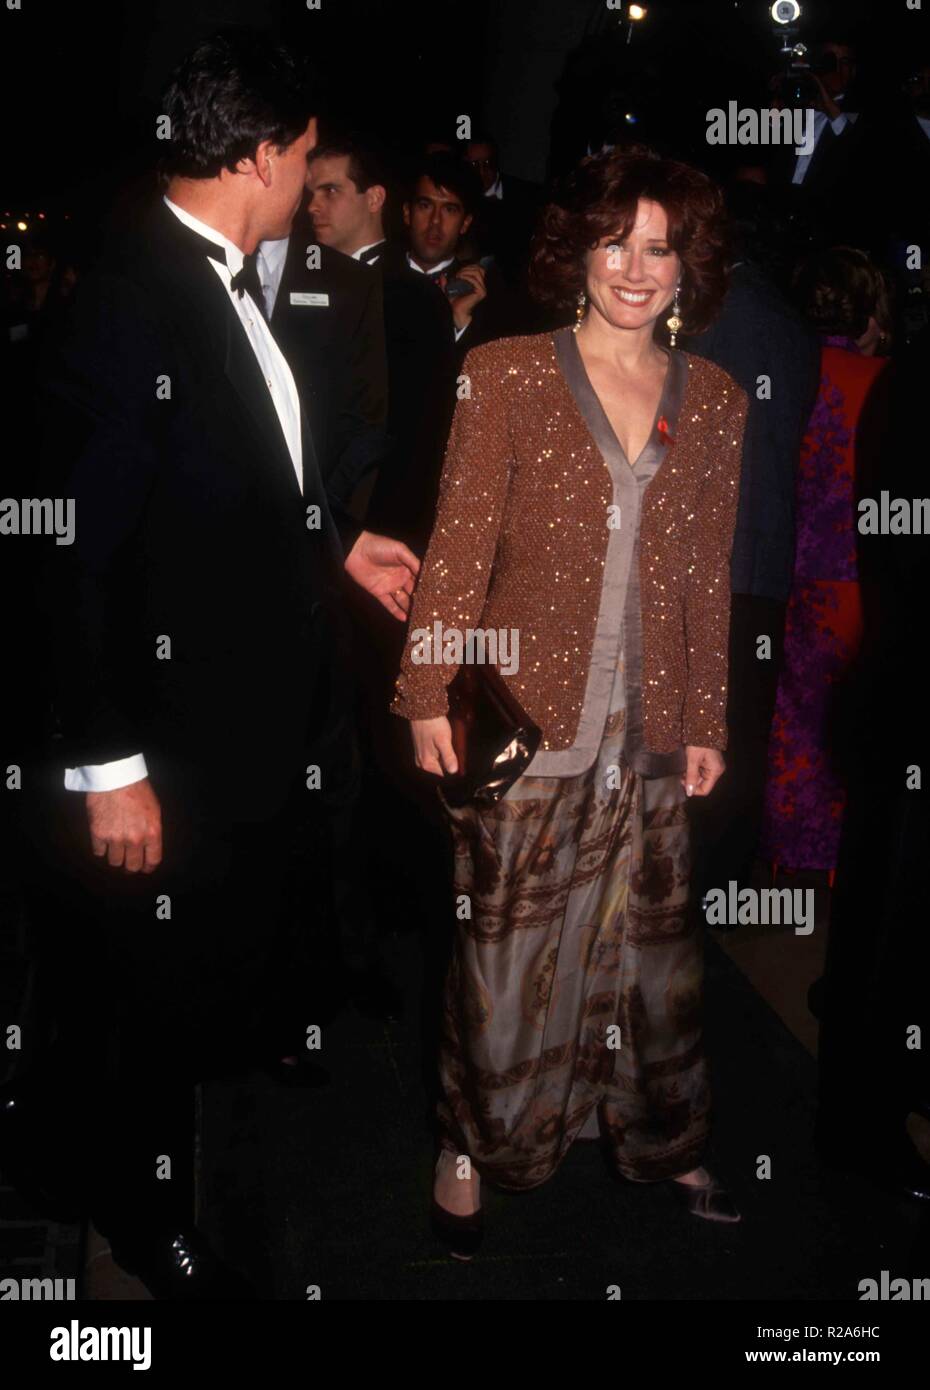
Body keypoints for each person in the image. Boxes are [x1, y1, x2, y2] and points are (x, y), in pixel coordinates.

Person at [18, 30, 418, 1299]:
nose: (311, 179)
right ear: (258, 154)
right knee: (132, 990)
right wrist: (107, 766)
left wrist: (336, 549)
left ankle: (123, 1146)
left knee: (176, 977)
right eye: (303, 156)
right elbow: (62, 552)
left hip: (231, 711)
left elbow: (238, 484)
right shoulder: (136, 295)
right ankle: (134, 1213)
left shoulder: (223, 271)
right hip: (158, 729)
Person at [391, 148, 748, 1257]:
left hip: (644, 731)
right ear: (576, 249)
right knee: (503, 963)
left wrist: (705, 719)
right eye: (614, 240)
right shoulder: (503, 373)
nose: (635, 269)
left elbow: (705, 575)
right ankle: (469, 1137)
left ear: (689, 263)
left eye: (660, 246)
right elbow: (455, 551)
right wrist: (422, 691)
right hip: (528, 727)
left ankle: (654, 1130)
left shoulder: (721, 399)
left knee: (646, 960)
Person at [681, 200, 822, 910]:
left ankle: (693, 888)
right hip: (766, 561)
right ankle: (728, 888)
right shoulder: (796, 327)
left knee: (703, 733)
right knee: (743, 728)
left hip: (714, 559)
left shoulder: (715, 317)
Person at [760, 247, 891, 877]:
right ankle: (836, 866)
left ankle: (783, 861)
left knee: (785, 721)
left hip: (787, 578)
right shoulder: (883, 382)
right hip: (859, 583)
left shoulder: (785, 369)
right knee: (846, 726)